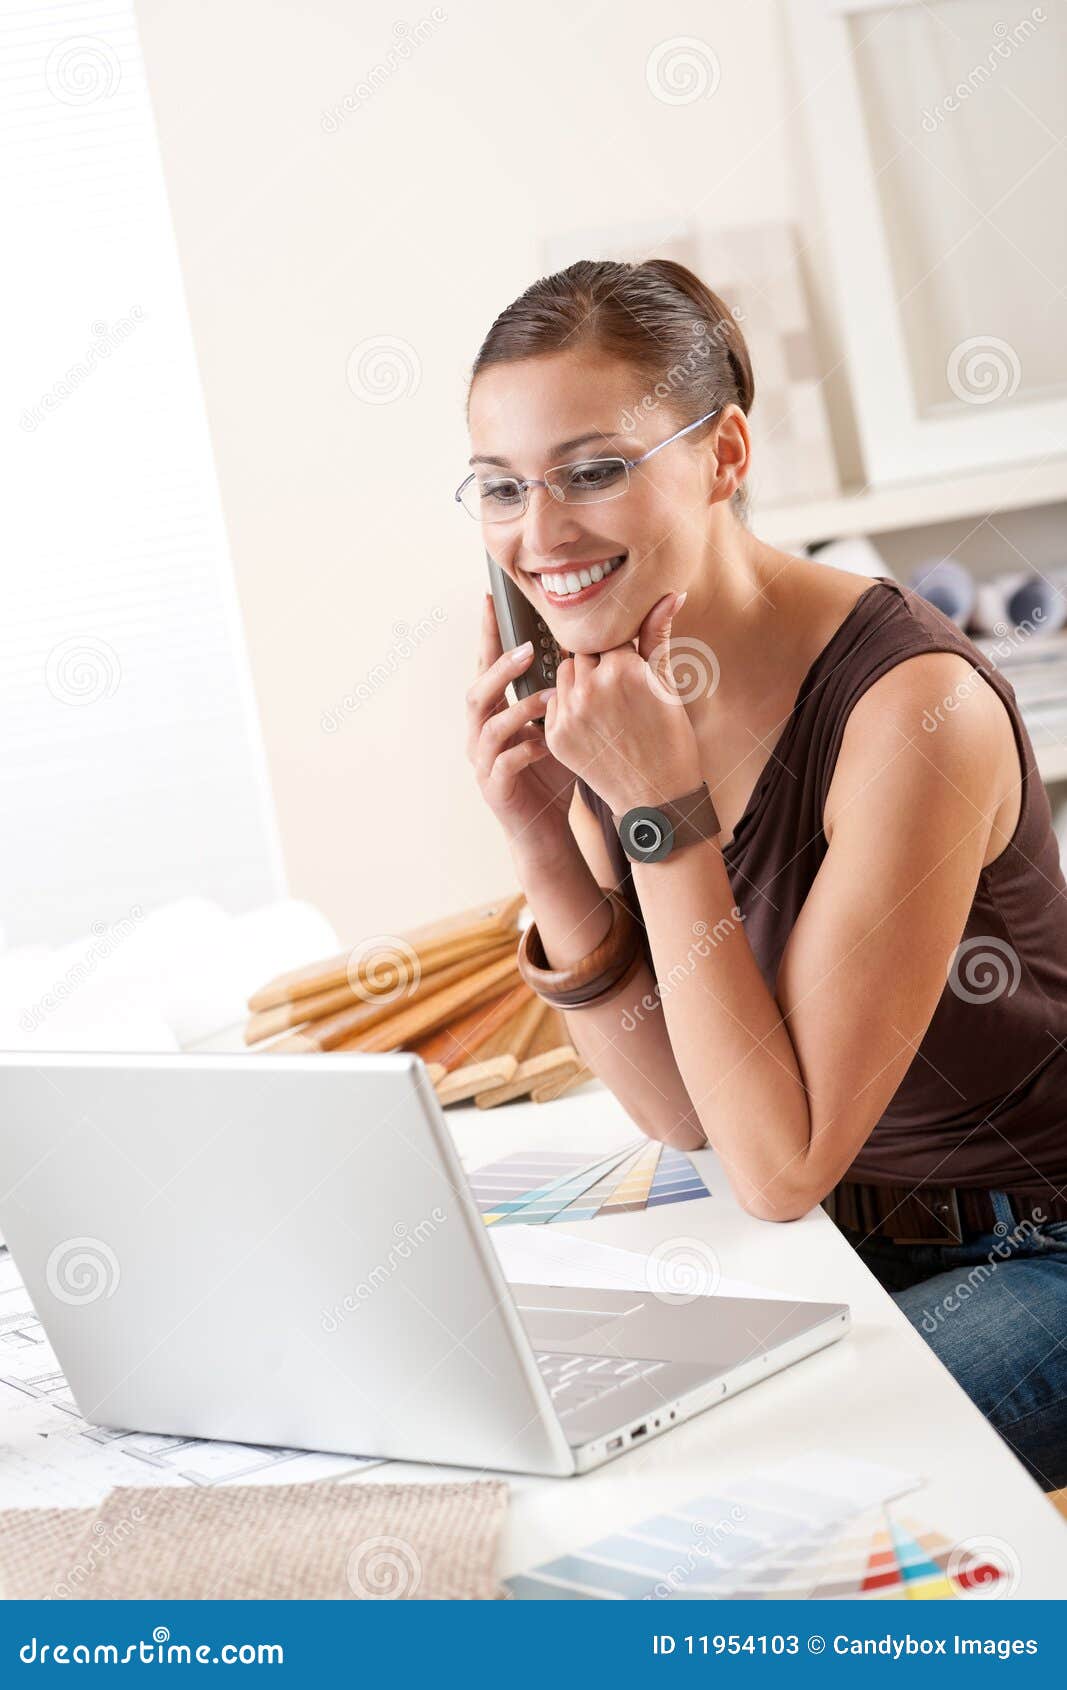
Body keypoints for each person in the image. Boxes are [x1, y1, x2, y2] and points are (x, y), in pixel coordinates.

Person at [461, 258, 1067, 1492]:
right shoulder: (610, 687)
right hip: (837, 1244)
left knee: (750, 1480)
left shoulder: (913, 709)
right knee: (545, 1430)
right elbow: (685, 1112)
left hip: (1034, 1246)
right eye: (502, 487)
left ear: (723, 453)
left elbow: (781, 1167)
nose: (540, 535)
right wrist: (541, 840)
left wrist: (660, 817)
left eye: (591, 471)